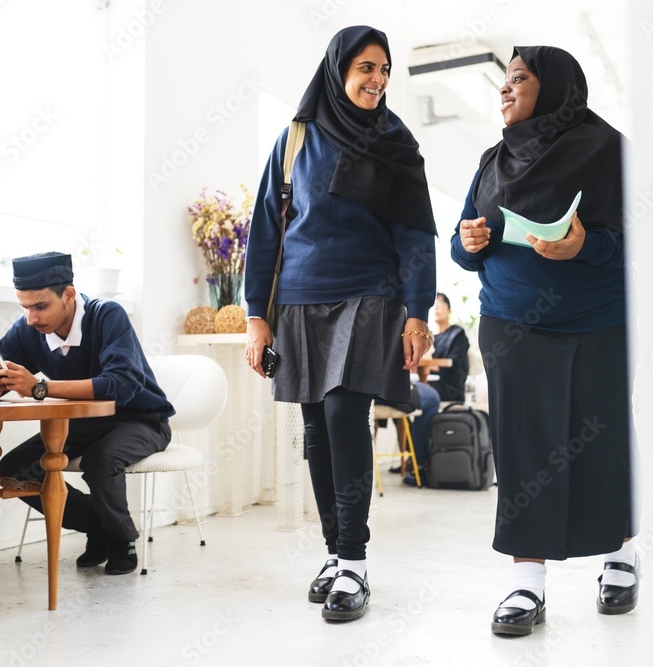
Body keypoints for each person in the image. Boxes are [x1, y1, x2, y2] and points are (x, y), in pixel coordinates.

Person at [244, 25, 436, 622]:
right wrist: (256, 316)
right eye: (367, 68)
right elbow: (267, 231)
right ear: (338, 70)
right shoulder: (295, 138)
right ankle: (333, 552)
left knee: (343, 413)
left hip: (368, 293)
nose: (377, 79)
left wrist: (417, 312)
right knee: (316, 429)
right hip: (301, 298)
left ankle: (354, 561)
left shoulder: (397, 141)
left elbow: (414, 234)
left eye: (385, 70)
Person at [452, 46, 636, 636]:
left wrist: (585, 247)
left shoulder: (607, 150)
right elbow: (461, 248)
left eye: (519, 78)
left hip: (597, 322)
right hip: (512, 323)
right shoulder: (493, 160)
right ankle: (527, 581)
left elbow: (639, 239)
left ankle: (620, 555)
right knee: (523, 446)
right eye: (503, 80)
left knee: (601, 439)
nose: (504, 89)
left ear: (555, 88)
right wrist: (469, 243)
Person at [0, 252, 173, 575]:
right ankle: (98, 525)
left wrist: (40, 388)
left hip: (141, 420)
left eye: (40, 306)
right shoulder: (29, 330)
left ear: (69, 295)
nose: (31, 318)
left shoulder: (107, 316)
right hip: (82, 426)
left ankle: (121, 539)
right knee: (15, 471)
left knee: (101, 460)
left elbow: (121, 384)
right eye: (24, 307)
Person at [428, 292, 470, 403]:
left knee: (411, 393)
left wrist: (425, 367)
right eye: (432, 304)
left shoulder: (457, 334)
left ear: (449, 310)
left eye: (440, 303)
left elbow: (453, 363)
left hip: (449, 387)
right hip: (426, 381)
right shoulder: (427, 337)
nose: (436, 307)